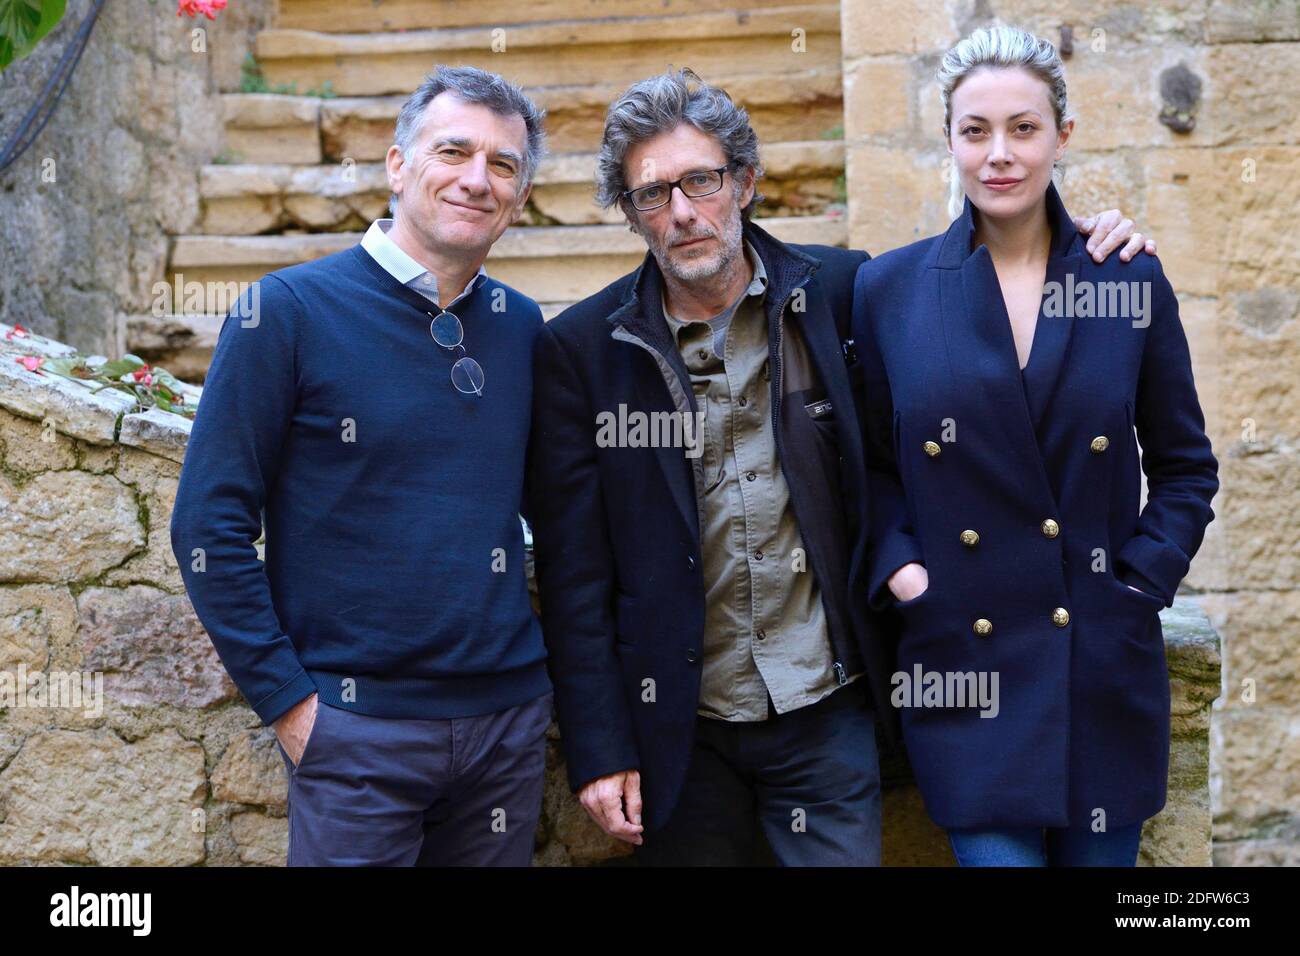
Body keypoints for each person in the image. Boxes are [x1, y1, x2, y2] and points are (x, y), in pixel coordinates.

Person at [527, 67, 1153, 866]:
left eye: (702, 181)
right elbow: (576, 572)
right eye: (653, 194)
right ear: (630, 212)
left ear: (745, 181)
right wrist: (601, 743)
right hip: (678, 730)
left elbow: (969, 310)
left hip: (828, 717)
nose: (682, 212)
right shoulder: (583, 350)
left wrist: (1095, 245)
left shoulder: (846, 291)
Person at [851, 26, 1219, 867]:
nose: (1000, 154)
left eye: (1024, 128)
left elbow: (1185, 465)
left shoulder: (1126, 278)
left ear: (1063, 135)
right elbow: (870, 467)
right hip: (966, 668)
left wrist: (1138, 581)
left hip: (1100, 661)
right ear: (948, 139)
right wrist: (907, 572)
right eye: (976, 130)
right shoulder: (890, 290)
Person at [171, 66, 554, 866]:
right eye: (454, 151)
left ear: (520, 195)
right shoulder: (283, 312)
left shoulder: (521, 327)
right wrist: (292, 705)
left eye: (504, 165)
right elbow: (208, 525)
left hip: (505, 732)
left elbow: (556, 516)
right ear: (396, 165)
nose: (477, 180)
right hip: (355, 732)